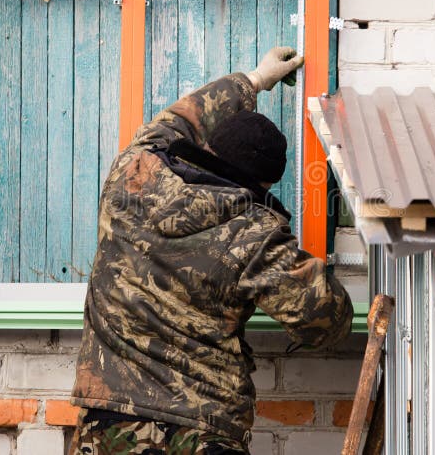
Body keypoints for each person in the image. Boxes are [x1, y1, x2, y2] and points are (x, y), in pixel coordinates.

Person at [69, 46, 354, 455]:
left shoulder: (131, 172)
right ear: (265, 185)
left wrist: (255, 79)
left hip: (109, 422)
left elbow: (182, 118)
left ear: (206, 149)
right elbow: (325, 320)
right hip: (203, 431)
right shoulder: (254, 234)